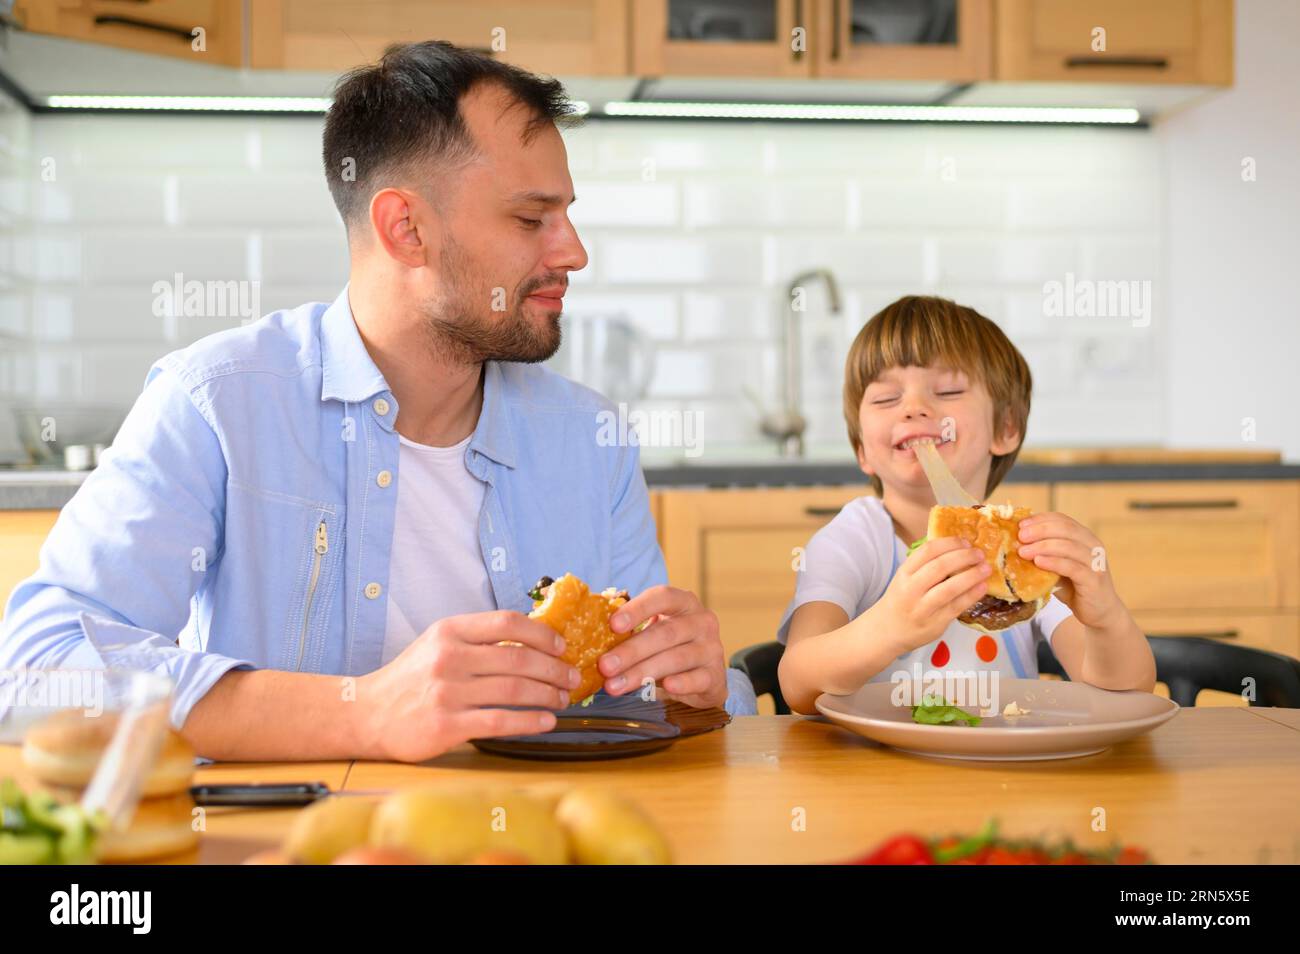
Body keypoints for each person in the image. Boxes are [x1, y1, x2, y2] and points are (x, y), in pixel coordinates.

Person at [0, 41, 756, 763]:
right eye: (531, 219)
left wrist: (688, 687)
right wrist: (367, 708)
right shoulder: (217, 406)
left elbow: (656, 712)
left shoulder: (589, 438)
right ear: (406, 229)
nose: (573, 251)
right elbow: (34, 672)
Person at [776, 295, 1155, 713]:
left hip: (1007, 772)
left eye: (949, 389)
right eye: (886, 398)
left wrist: (1105, 618)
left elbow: (1127, 695)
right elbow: (798, 684)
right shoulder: (851, 541)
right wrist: (889, 628)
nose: (914, 408)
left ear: (1006, 427)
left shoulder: (1025, 551)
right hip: (874, 773)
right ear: (862, 448)